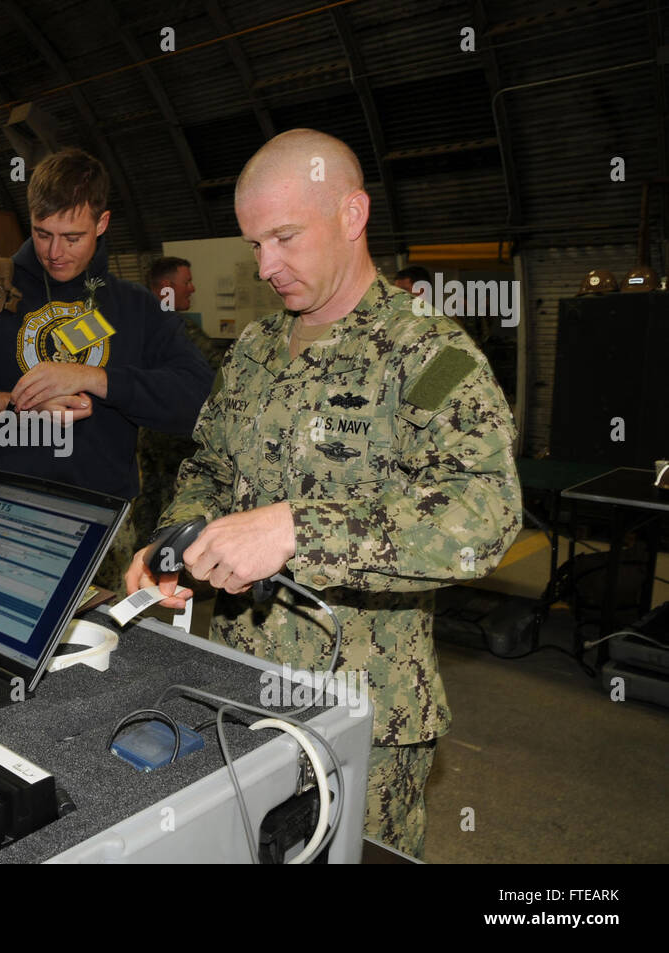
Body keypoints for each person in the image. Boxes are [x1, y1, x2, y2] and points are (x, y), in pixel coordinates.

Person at [126, 129, 522, 858]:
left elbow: (484, 511)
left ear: (351, 215)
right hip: (240, 694)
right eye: (254, 245)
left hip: (363, 710)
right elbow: (208, 467)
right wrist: (173, 542)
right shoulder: (252, 351)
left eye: (284, 237)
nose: (266, 266)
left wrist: (297, 530)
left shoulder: (428, 356)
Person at [0, 147, 212, 588]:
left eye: (72, 237)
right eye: (42, 234)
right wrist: (12, 405)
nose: (54, 252)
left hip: (101, 527)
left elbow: (198, 399)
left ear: (102, 223)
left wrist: (97, 379)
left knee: (105, 654)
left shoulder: (133, 308)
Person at [133, 257, 226, 549]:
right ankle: (170, 561)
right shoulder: (176, 329)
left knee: (150, 496)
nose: (192, 288)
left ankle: (146, 554)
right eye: (186, 282)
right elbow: (219, 376)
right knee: (179, 500)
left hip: (148, 431)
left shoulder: (136, 323)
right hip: (179, 435)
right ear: (166, 288)